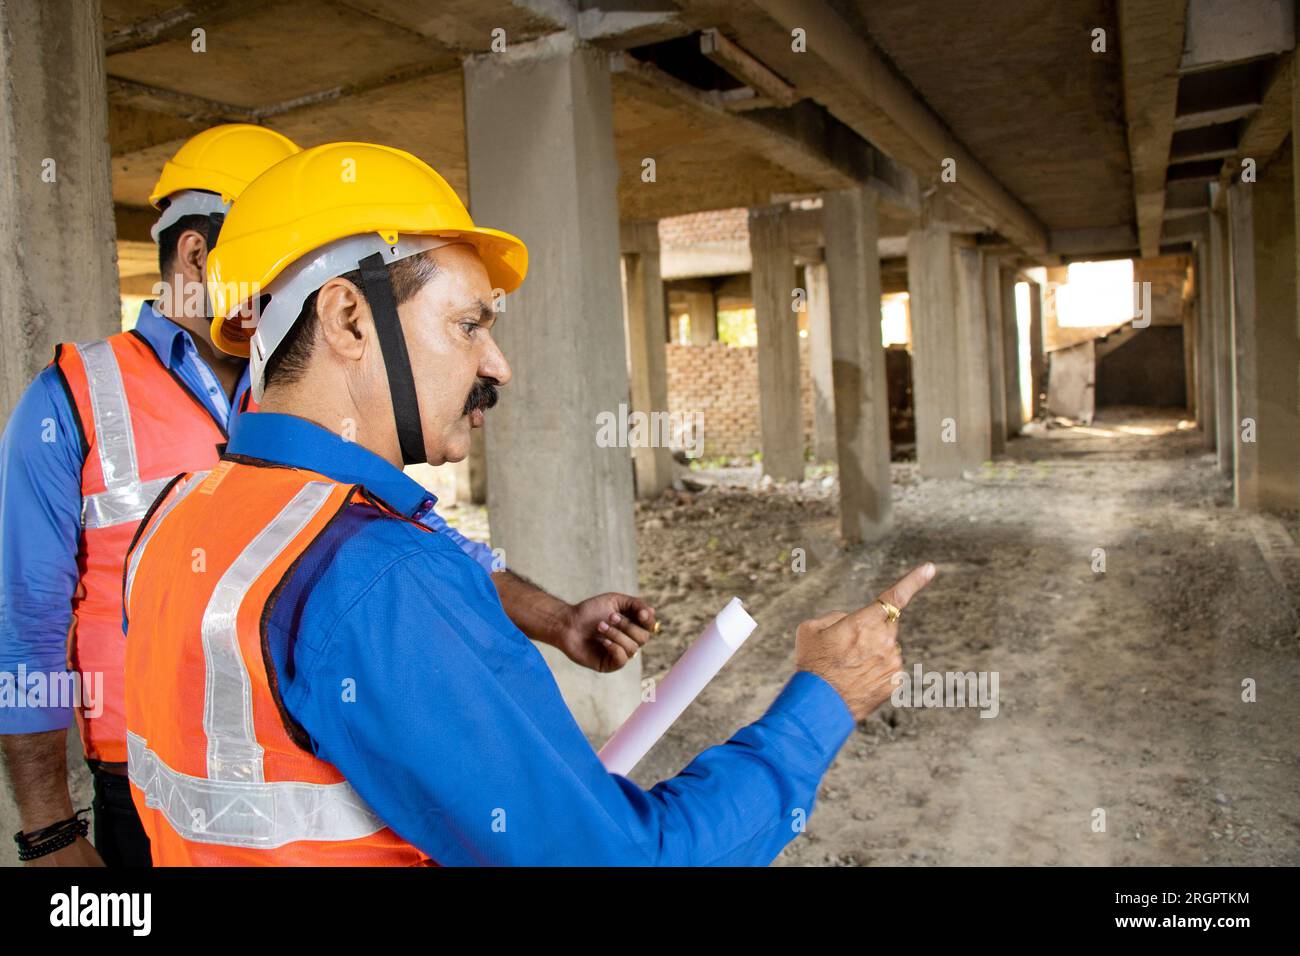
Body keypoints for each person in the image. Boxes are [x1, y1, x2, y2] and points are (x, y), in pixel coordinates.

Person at [123, 141, 933, 865]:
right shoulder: (376, 575)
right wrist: (822, 700)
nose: (498, 365)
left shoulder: (177, 516)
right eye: (469, 324)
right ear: (347, 318)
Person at [0, 124, 300, 866]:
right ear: (197, 253)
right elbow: (26, 623)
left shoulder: (301, 391)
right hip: (141, 790)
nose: (288, 292)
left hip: (297, 777)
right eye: (275, 263)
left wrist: (552, 617)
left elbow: (389, 534)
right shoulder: (71, 399)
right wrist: (49, 832)